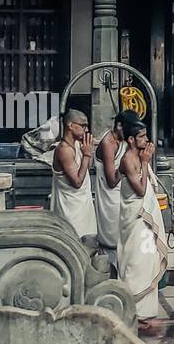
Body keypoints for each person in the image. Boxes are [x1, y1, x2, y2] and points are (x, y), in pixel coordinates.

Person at [118, 122, 168, 335]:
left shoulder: (139, 157)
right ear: (130, 140)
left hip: (144, 220)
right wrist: (146, 163)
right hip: (135, 218)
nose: (146, 141)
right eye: (141, 137)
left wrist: (146, 163)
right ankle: (131, 312)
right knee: (135, 263)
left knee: (148, 261)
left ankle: (144, 313)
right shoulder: (128, 160)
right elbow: (140, 191)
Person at [93, 109, 142, 270]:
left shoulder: (124, 142)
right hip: (110, 200)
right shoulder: (108, 143)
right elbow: (112, 181)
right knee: (113, 242)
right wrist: (124, 167)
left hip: (124, 196)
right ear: (119, 126)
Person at [49, 108, 97, 241]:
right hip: (70, 212)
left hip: (83, 208)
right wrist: (87, 155)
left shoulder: (76, 145)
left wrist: (88, 152)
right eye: (83, 125)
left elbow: (87, 168)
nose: (86, 130)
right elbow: (77, 182)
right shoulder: (64, 150)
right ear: (70, 125)